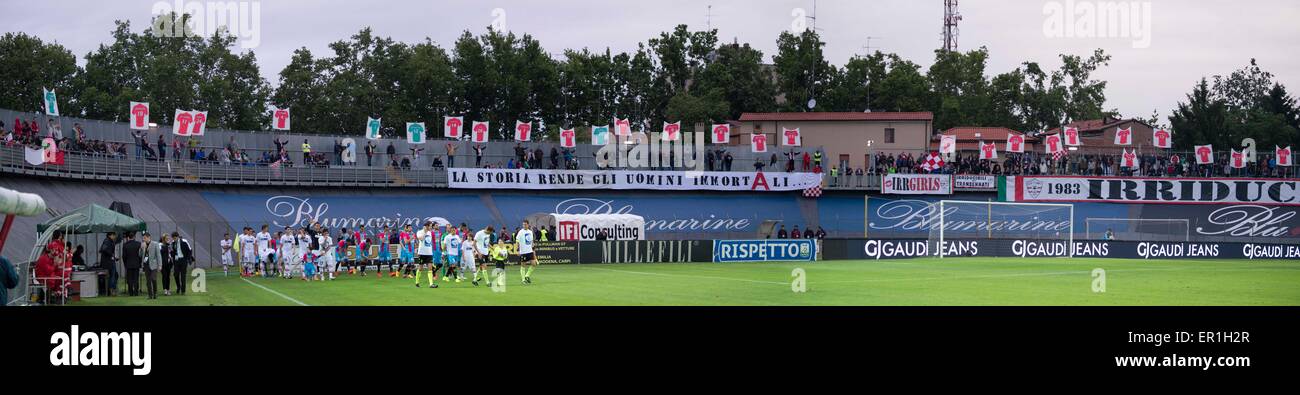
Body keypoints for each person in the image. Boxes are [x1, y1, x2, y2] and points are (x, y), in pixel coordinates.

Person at [413, 222, 439, 288]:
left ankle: (431, 284)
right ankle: (417, 282)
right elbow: (421, 238)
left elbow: (430, 242)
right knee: (420, 268)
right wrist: (425, 232)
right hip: (422, 253)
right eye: (430, 226)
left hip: (429, 253)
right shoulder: (419, 232)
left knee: (430, 268)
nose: (431, 227)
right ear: (426, 226)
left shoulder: (430, 233)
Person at [516, 220, 538, 284]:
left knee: (534, 264)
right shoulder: (520, 232)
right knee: (523, 265)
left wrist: (533, 249)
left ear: (528, 225)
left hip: (530, 251)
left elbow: (531, 242)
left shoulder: (530, 232)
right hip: (523, 252)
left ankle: (527, 276)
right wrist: (517, 250)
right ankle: (523, 280)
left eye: (525, 224)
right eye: (523, 224)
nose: (524, 225)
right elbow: (517, 241)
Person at [120, 232, 142, 296]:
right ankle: (136, 292)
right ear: (134, 237)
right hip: (136, 264)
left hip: (128, 264)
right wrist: (139, 262)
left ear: (128, 237)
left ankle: (131, 292)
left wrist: (125, 264)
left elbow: (124, 256)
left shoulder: (125, 245)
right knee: (136, 278)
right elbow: (140, 255)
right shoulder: (138, 244)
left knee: (129, 279)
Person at [140, 232, 160, 300]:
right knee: (148, 281)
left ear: (149, 237)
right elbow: (140, 255)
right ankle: (150, 295)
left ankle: (155, 293)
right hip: (146, 264)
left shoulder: (155, 244)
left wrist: (160, 265)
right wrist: (141, 248)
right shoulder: (143, 245)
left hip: (153, 265)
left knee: (153, 279)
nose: (144, 239)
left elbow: (158, 255)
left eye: (145, 238)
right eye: (143, 238)